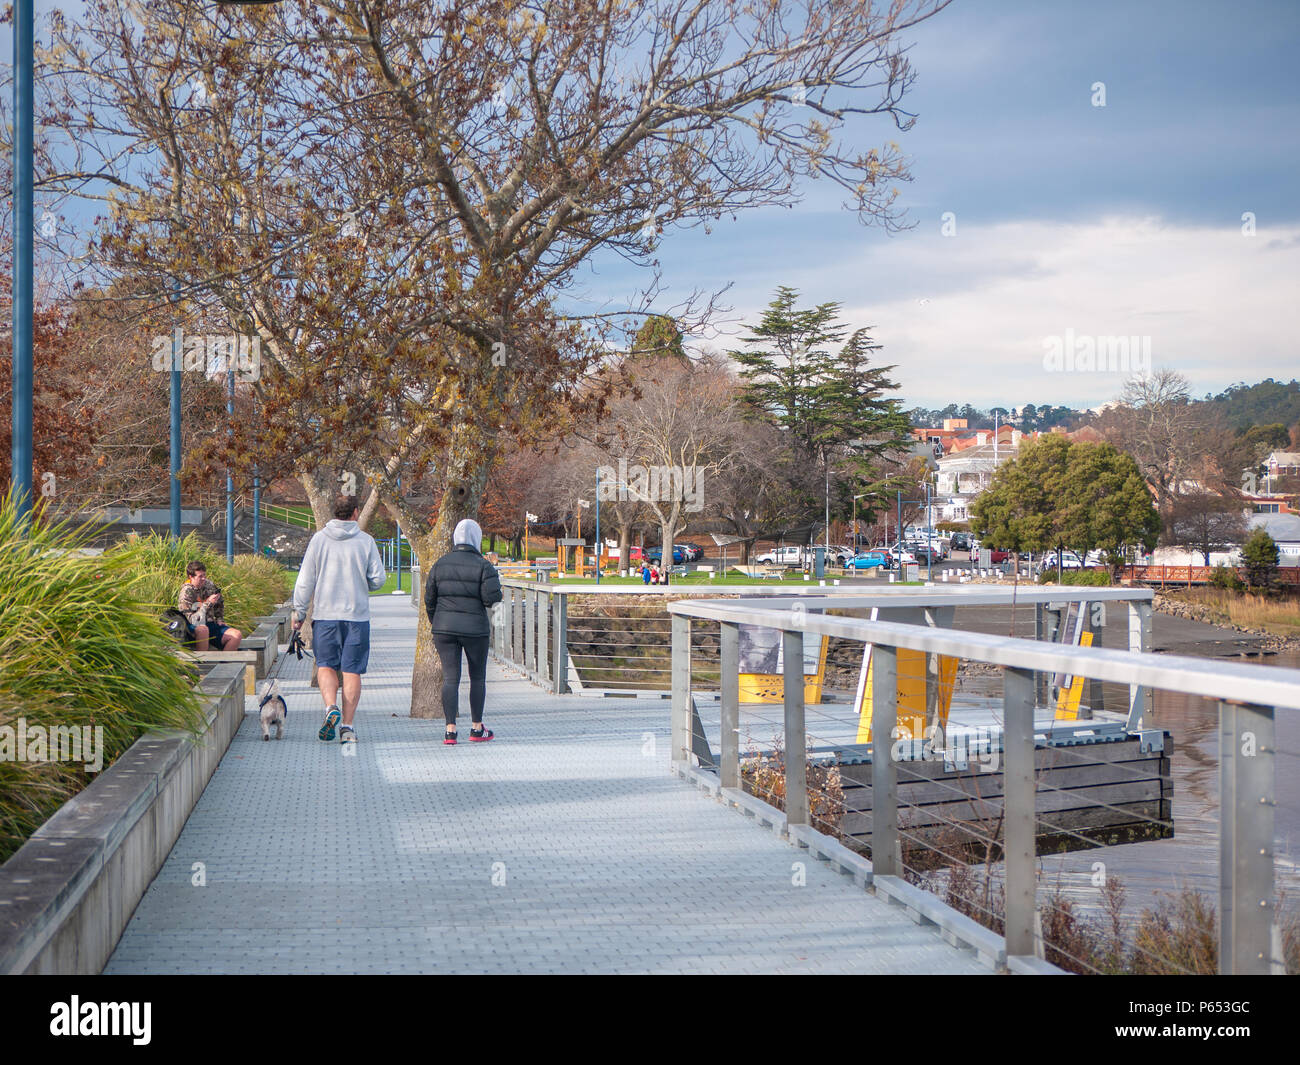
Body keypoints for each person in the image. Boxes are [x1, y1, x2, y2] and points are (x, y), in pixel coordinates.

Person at [292, 494, 386, 746]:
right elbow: (379, 579)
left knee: (325, 665)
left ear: (335, 513)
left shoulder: (319, 540)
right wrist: (361, 580)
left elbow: (305, 581)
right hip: (356, 616)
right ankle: (347, 726)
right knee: (352, 670)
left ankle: (330, 706)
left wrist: (299, 613)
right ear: (356, 512)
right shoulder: (366, 542)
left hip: (325, 616)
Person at [425, 518, 502, 745]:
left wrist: (437, 622)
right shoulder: (484, 566)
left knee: (450, 677)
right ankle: (477, 728)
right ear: (477, 539)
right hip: (475, 629)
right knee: (477, 677)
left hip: (444, 629)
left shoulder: (440, 564)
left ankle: (450, 730)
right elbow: (491, 599)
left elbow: (430, 599)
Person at [178, 562, 242, 651]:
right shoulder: (186, 592)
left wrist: (220, 618)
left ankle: (225, 664)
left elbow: (219, 602)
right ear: (191, 576)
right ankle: (202, 663)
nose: (203, 579)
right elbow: (191, 619)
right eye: (200, 576)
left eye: (204, 575)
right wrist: (207, 603)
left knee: (236, 635)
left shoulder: (208, 584)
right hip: (194, 627)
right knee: (203, 630)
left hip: (210, 623)